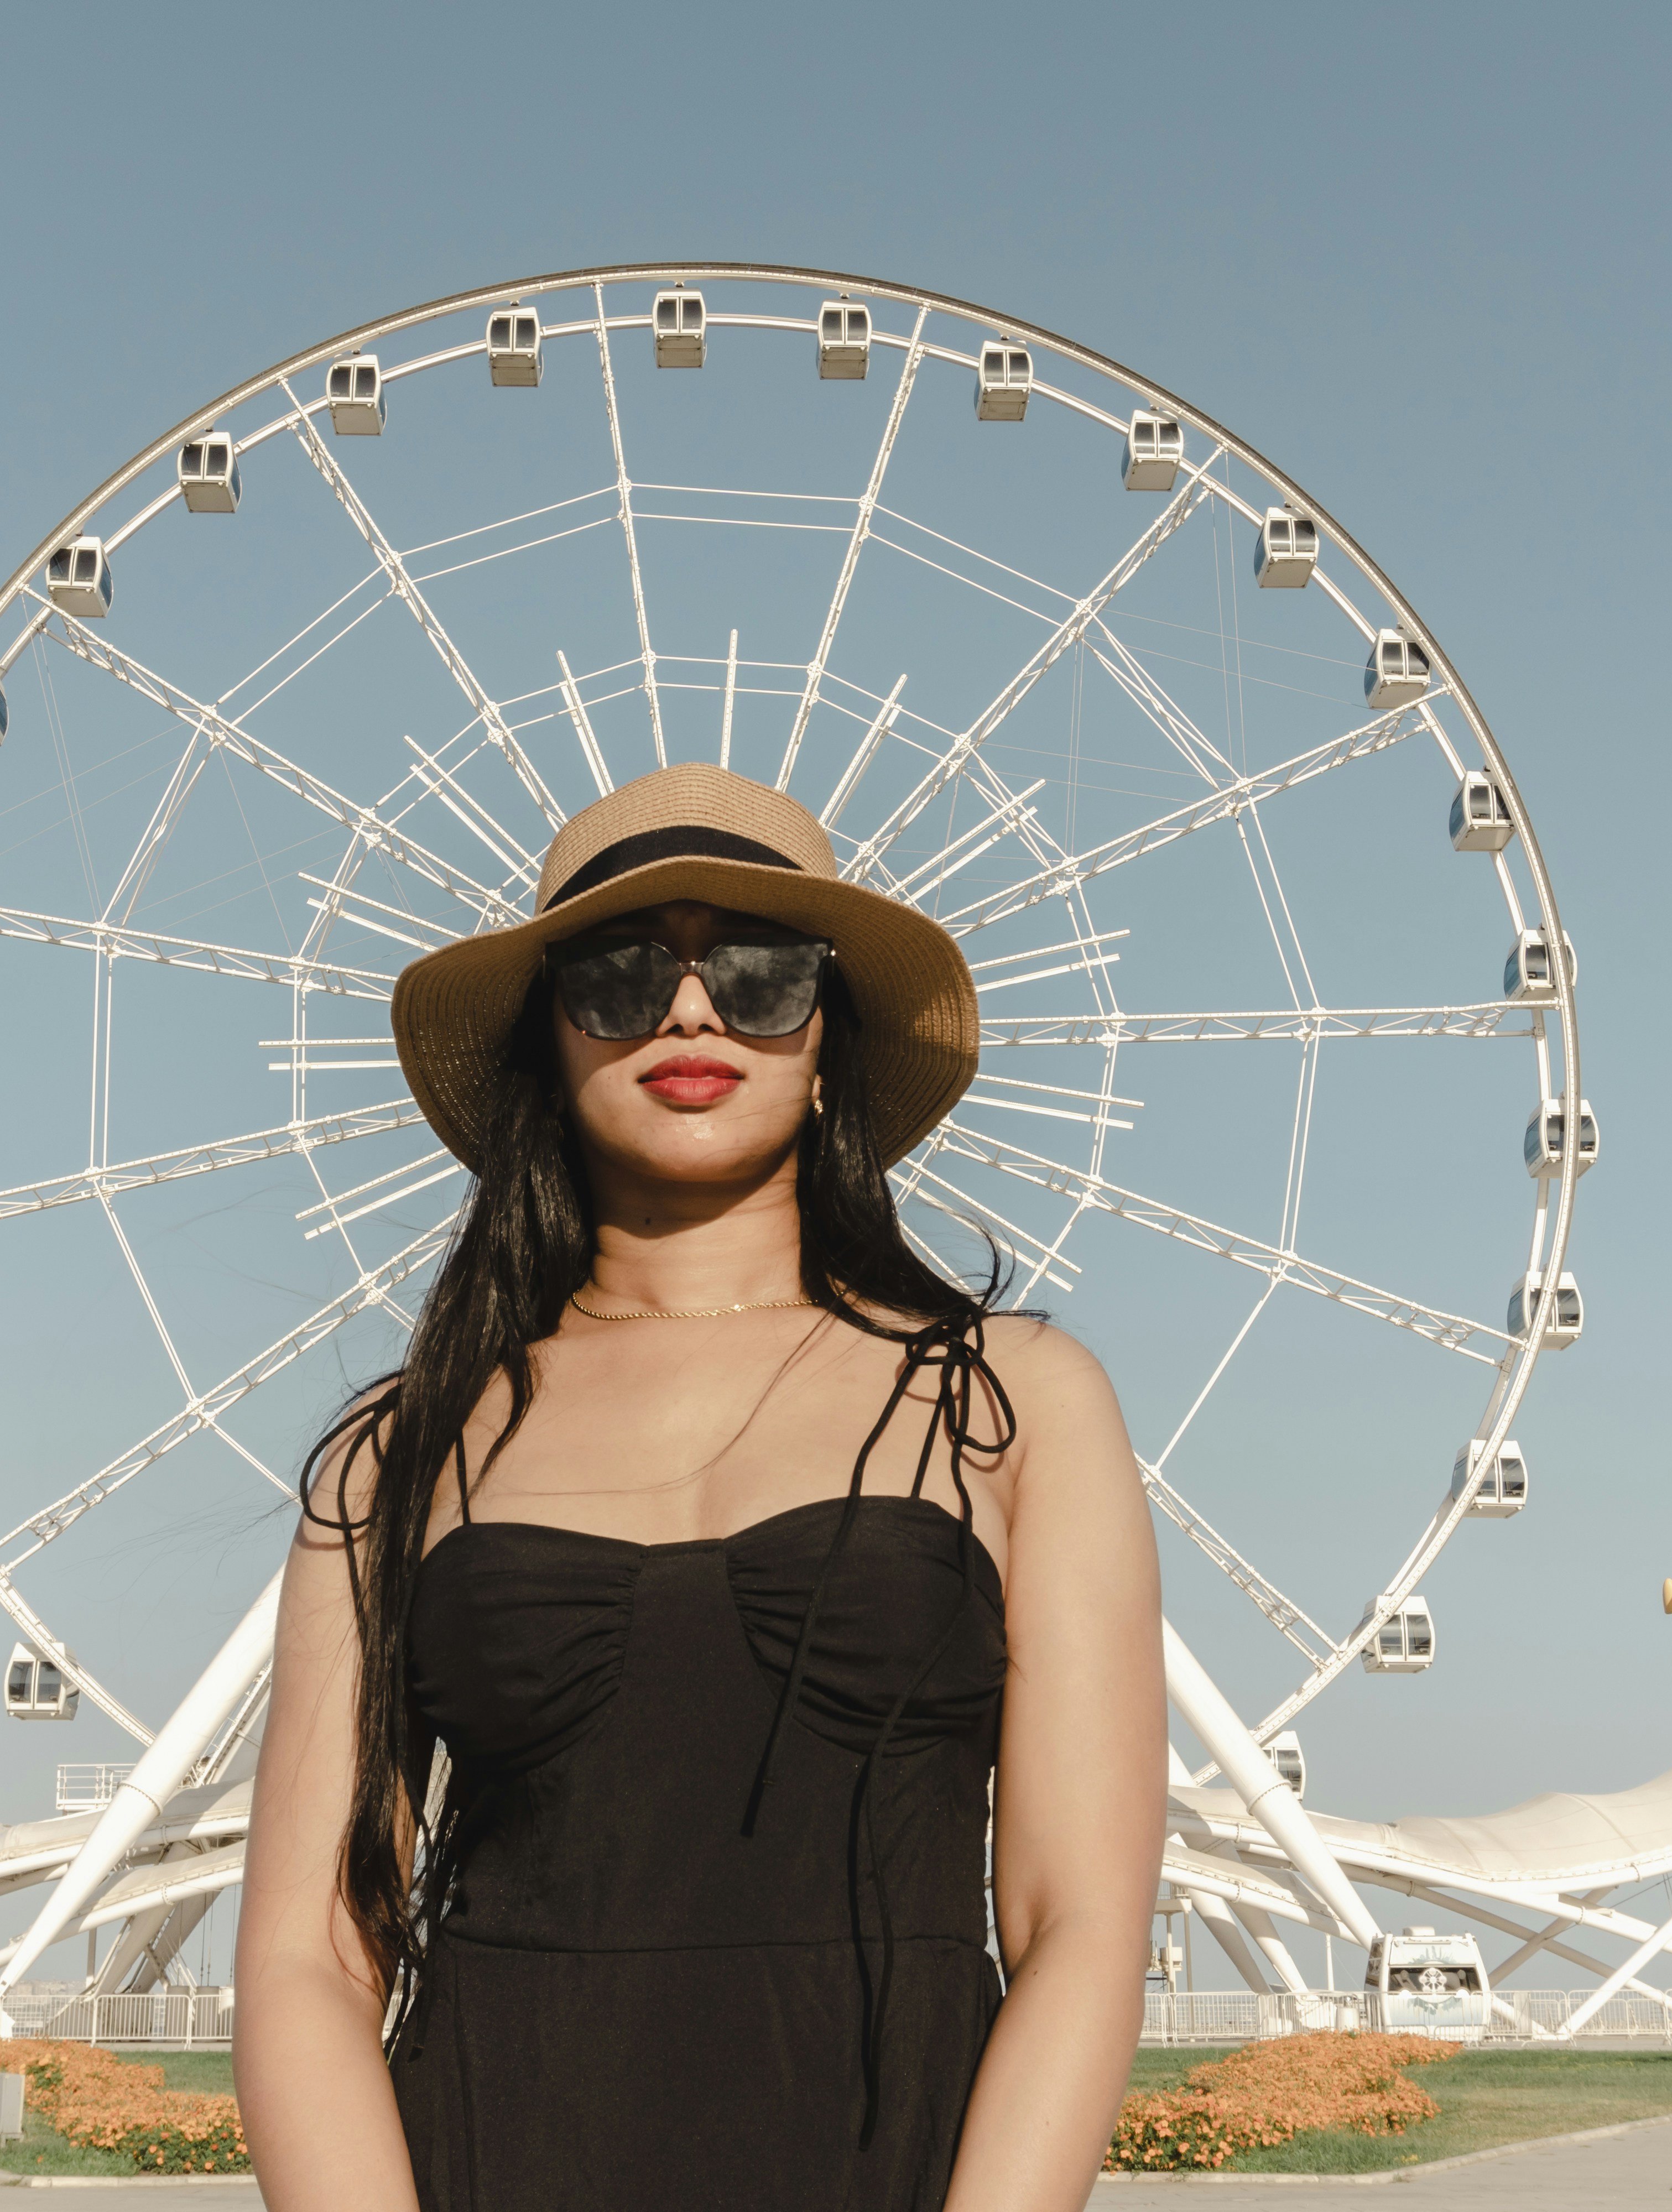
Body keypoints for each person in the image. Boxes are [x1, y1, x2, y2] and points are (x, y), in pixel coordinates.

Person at [235, 763, 1164, 2211]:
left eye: (757, 970)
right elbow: (308, 1957)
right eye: (616, 974)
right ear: (547, 1032)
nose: (687, 1012)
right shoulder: (397, 1448)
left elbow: (1078, 1920)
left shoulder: (1015, 1403)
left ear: (828, 1032)